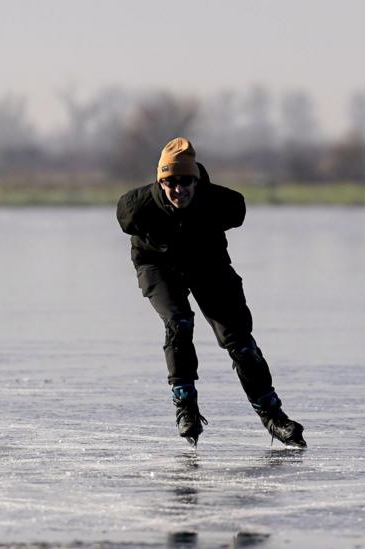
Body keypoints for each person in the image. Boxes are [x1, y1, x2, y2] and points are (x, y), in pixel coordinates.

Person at [116, 137, 305, 447]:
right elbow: (125, 220)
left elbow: (237, 211)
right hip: (158, 265)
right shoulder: (136, 208)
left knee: (240, 342)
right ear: (160, 180)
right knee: (179, 322)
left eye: (186, 181)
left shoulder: (220, 202)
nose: (179, 190)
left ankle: (273, 416)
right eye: (170, 182)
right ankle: (185, 406)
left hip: (208, 266)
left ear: (197, 180)